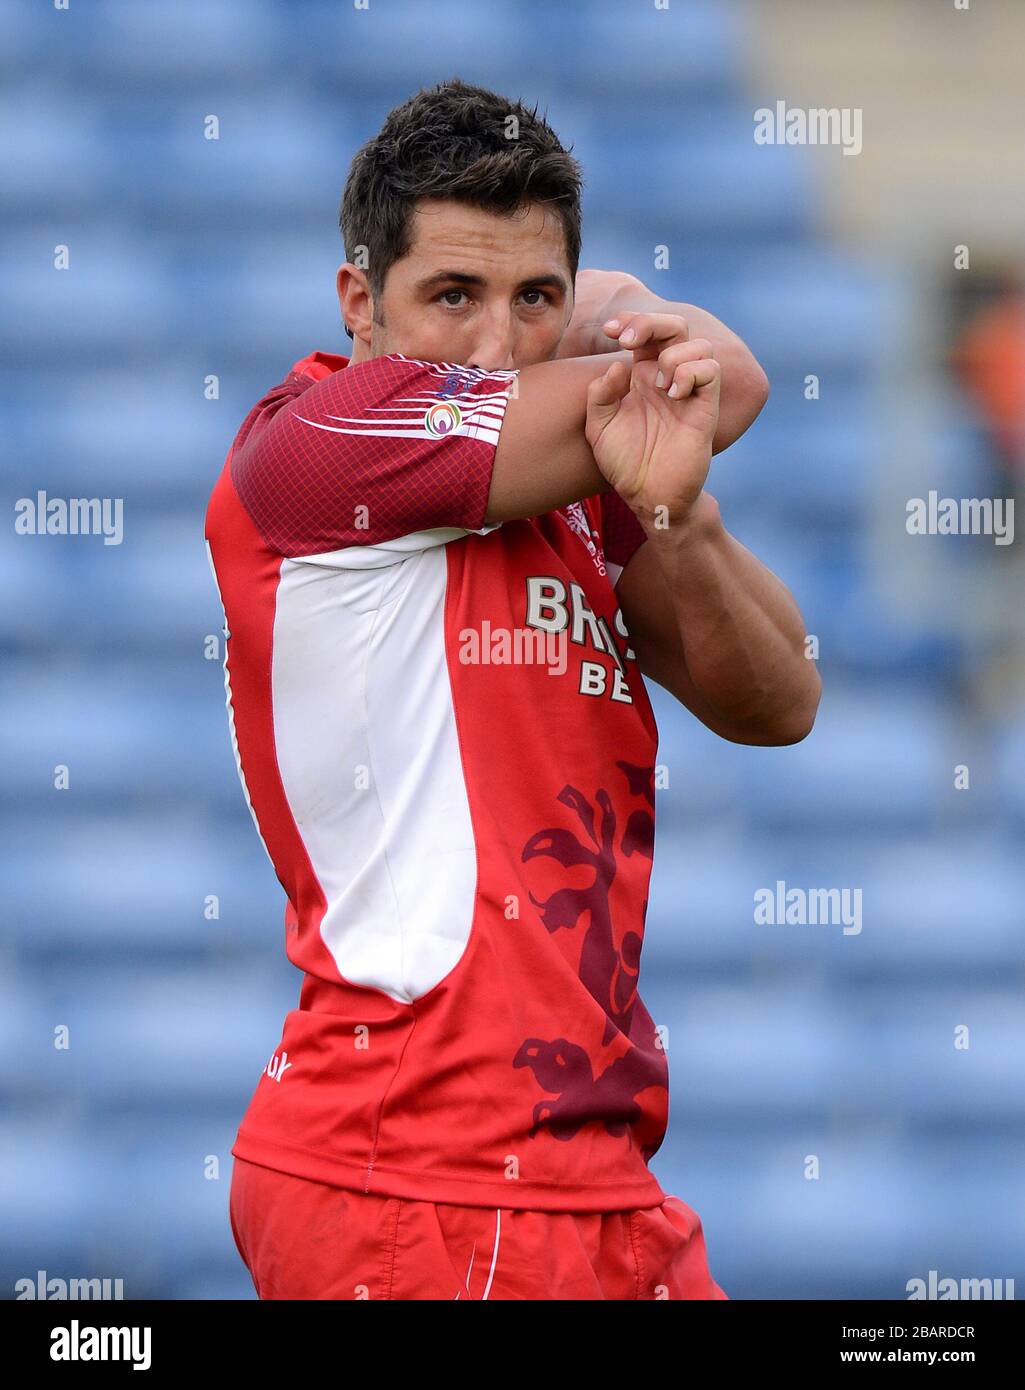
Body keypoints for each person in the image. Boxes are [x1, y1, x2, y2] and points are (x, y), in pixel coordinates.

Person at [205, 77, 821, 1301]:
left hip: (596, 1172)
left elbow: (781, 697)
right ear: (358, 306)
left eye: (533, 298)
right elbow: (731, 383)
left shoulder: (569, 474)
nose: (495, 346)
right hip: (411, 1172)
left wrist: (680, 521)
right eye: (452, 296)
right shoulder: (319, 442)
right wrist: (631, 313)